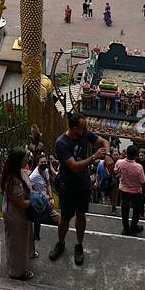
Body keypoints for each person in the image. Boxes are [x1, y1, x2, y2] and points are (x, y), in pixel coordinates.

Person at [50, 113, 108, 267]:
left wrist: (106, 155)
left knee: (81, 215)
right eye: (83, 128)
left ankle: (78, 245)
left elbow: (103, 141)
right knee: (65, 218)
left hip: (83, 184)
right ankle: (60, 243)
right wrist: (94, 157)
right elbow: (74, 166)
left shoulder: (84, 134)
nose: (86, 130)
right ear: (75, 129)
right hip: (67, 185)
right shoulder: (61, 143)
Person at [1, 148, 35, 280]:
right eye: (24, 159)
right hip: (16, 216)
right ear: (17, 161)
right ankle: (18, 272)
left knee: (18, 242)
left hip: (18, 214)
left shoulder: (18, 172)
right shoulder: (13, 180)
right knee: (17, 244)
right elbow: (21, 203)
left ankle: (19, 265)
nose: (27, 161)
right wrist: (37, 201)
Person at [114, 144, 145, 236]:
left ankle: (126, 229)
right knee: (136, 210)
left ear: (126, 153)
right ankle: (133, 226)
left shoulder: (119, 162)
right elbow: (143, 182)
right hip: (136, 192)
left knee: (125, 210)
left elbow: (115, 171)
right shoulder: (139, 167)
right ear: (136, 155)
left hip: (123, 190)